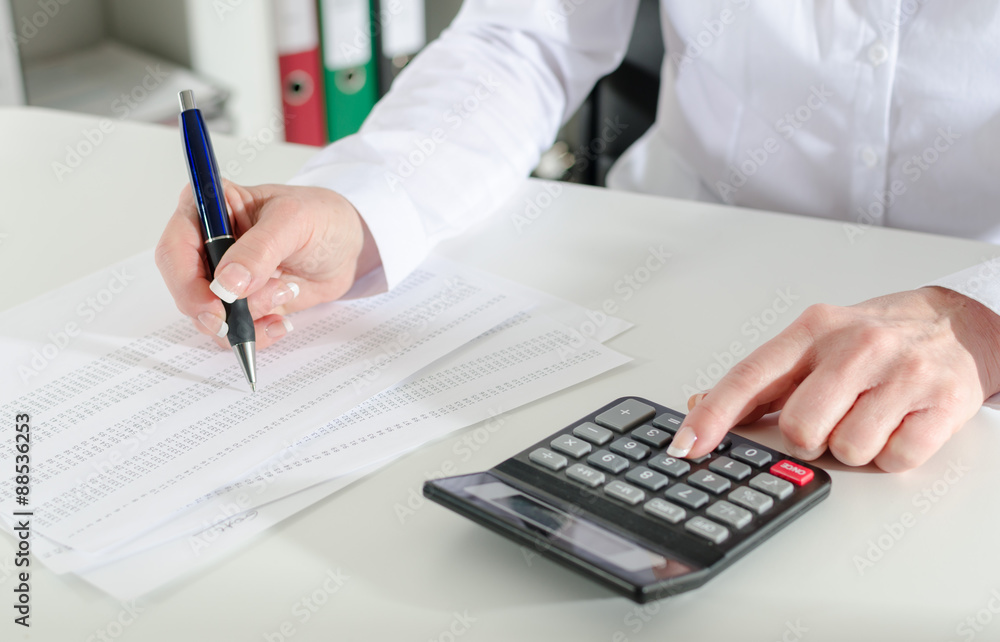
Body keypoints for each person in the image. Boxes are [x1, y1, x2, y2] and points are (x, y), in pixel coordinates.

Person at [156, 1, 1000, 473]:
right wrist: (365, 206)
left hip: (969, 338)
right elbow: (528, 32)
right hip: (669, 275)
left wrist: (977, 318)